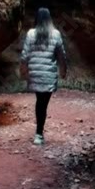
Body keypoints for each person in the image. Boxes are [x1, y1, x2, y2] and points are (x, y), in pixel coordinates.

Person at [20, 8, 68, 145]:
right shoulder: (56, 34)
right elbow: (61, 56)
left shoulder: (30, 34)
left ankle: (38, 134)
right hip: (48, 76)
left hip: (35, 74)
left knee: (39, 102)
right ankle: (39, 133)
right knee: (43, 104)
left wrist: (23, 71)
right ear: (49, 19)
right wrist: (63, 71)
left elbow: (24, 55)